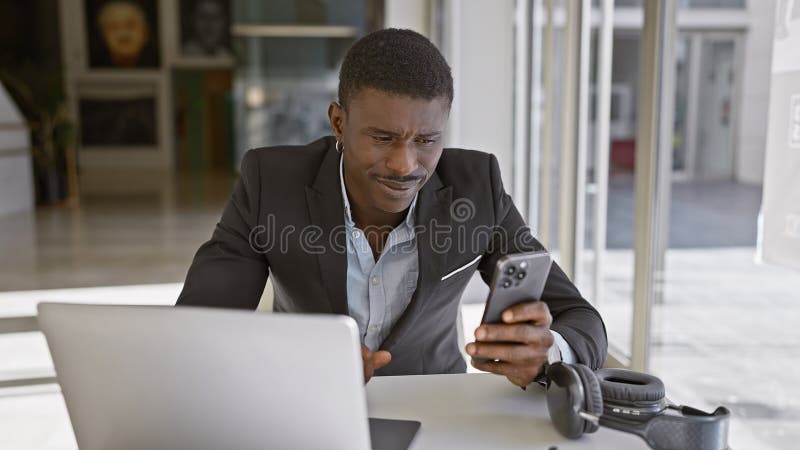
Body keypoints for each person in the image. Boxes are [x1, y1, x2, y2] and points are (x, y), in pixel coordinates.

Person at [177, 28, 607, 387]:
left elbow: (581, 318)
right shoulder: (270, 182)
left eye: (426, 140)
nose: (405, 165)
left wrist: (550, 350)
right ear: (339, 123)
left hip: (435, 405)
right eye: (383, 138)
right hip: (303, 397)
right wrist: (292, 360)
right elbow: (197, 330)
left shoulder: (477, 189)